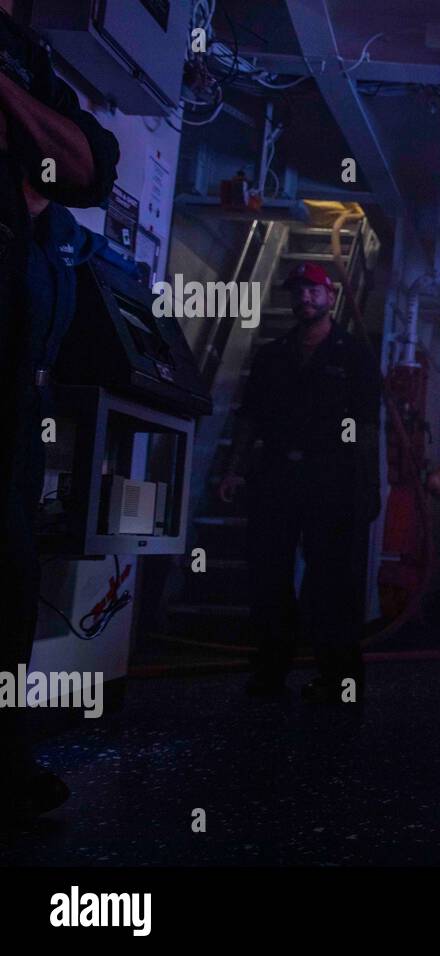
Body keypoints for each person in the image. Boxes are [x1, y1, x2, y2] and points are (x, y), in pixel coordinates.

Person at [0, 0, 121, 827]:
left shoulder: (32, 64)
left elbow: (87, 167)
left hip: (17, 378)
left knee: (9, 579)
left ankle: (4, 761)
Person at [218, 263, 383, 703]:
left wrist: (368, 486)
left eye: (312, 290)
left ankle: (339, 679)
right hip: (276, 477)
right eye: (297, 292)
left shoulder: (354, 355)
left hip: (332, 478)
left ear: (330, 295)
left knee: (331, 581)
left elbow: (367, 426)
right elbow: (249, 418)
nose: (304, 298)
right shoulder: (271, 355)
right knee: (268, 577)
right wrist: (235, 468)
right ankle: (270, 672)